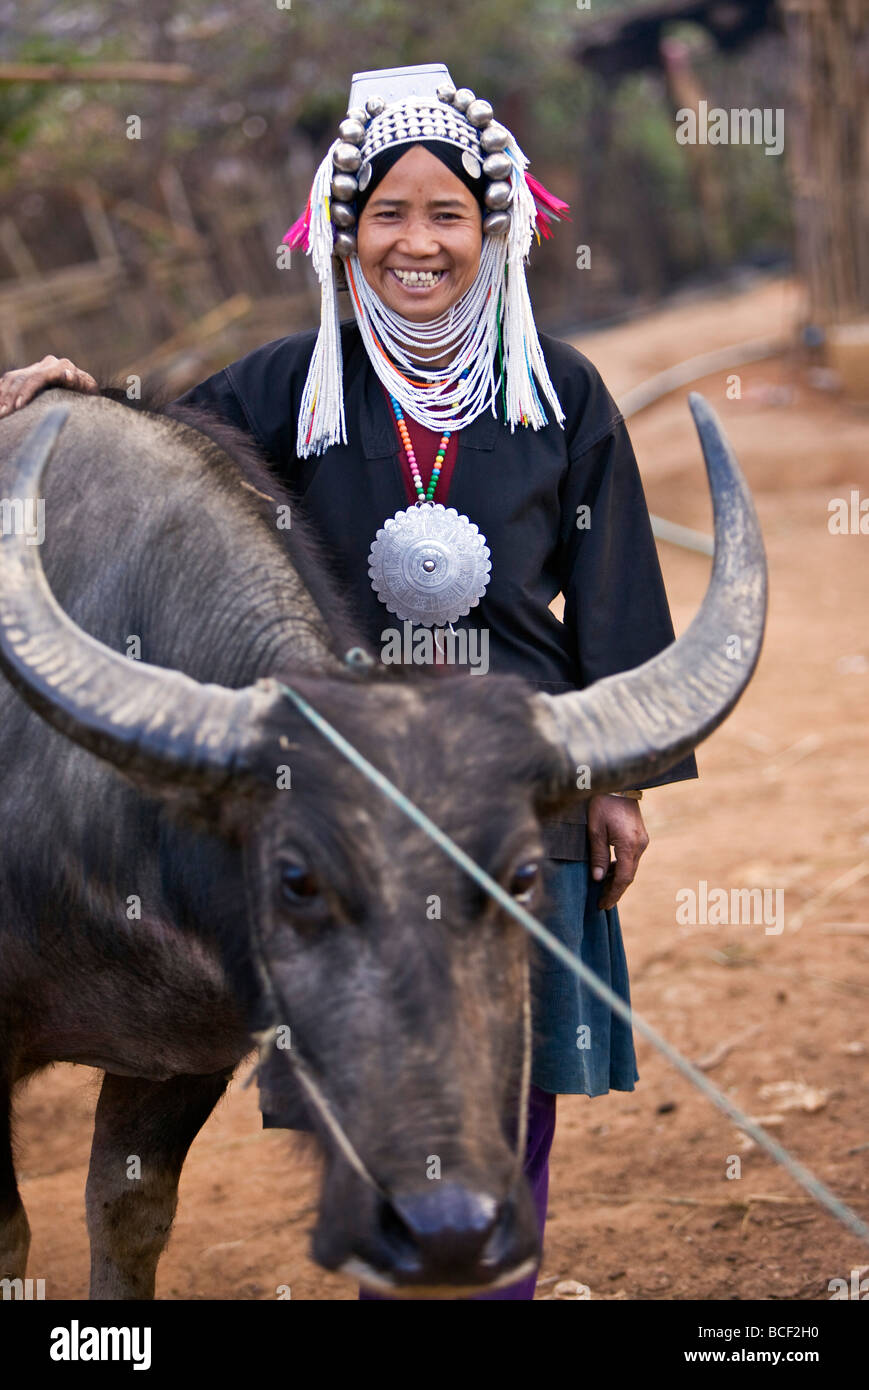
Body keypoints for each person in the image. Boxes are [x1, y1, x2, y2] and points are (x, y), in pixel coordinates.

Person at [0, 61, 696, 1301]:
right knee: (382, 1048)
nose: (416, 243)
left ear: (495, 230)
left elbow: (614, 590)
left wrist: (618, 782)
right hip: (338, 787)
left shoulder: (560, 392)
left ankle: (493, 1284)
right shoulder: (290, 383)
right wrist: (77, 395)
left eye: (447, 216)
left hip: (505, 782)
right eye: (388, 215)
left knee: (503, 1058)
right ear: (344, 232)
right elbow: (167, 460)